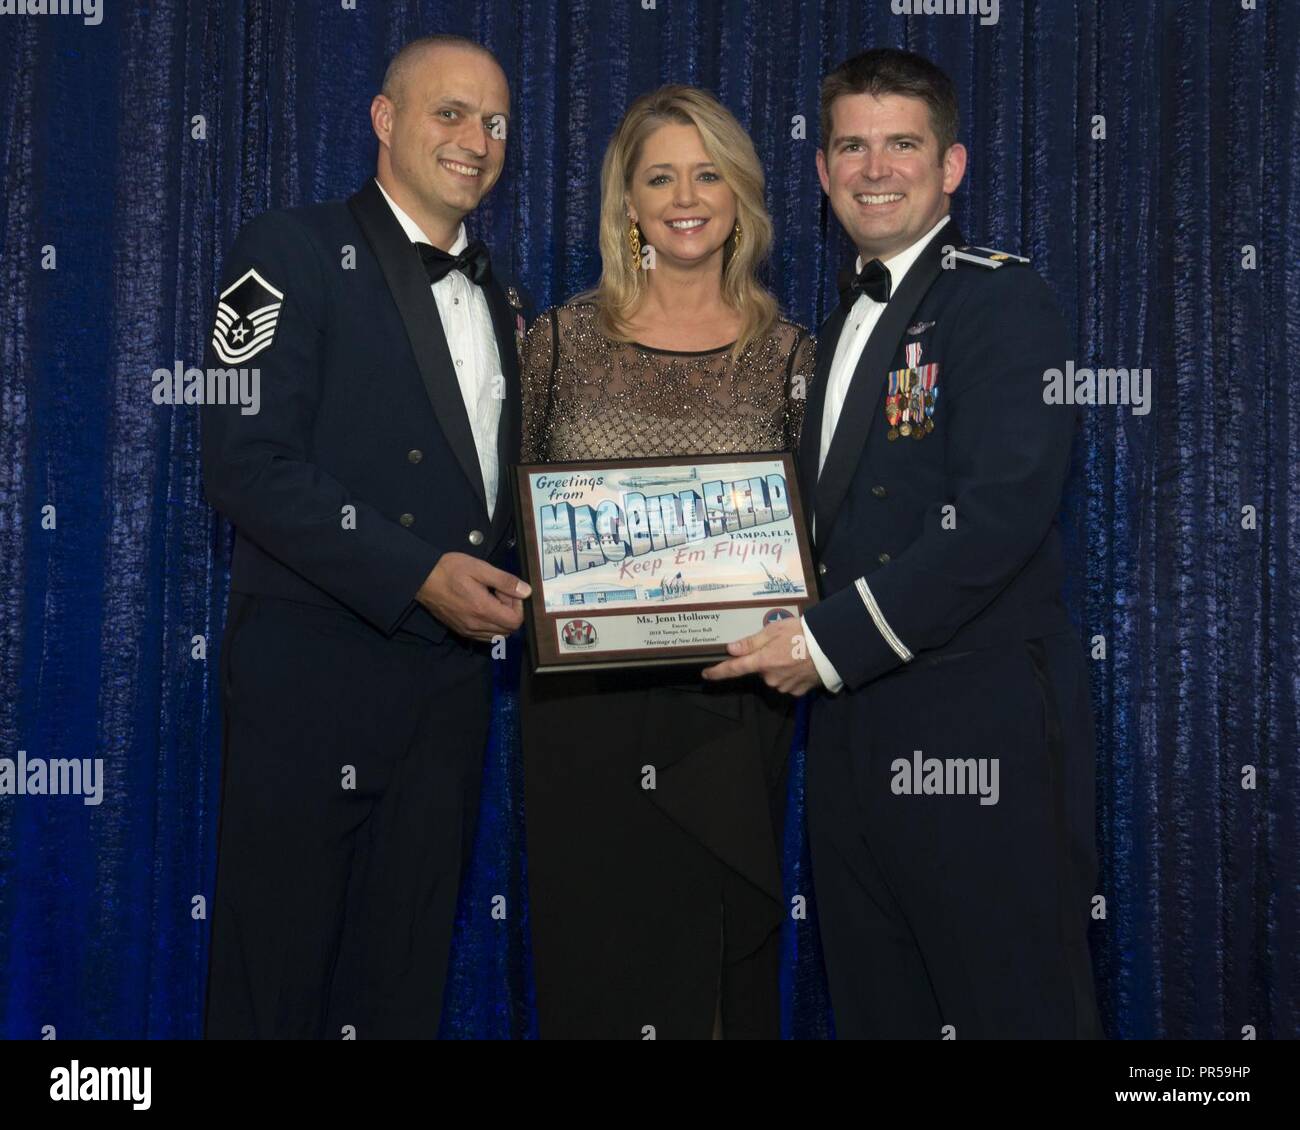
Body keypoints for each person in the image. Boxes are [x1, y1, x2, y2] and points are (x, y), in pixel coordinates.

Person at [704, 48, 1102, 1039]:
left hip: (976, 728)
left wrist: (825, 643)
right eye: (852, 146)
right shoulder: (839, 320)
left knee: (1012, 1009)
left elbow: (1000, 513)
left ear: (951, 165)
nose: (875, 169)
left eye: (902, 145)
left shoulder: (1000, 300)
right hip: (849, 733)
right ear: (821, 168)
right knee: (880, 1008)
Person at [201, 34, 530, 1039]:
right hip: (312, 685)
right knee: (275, 983)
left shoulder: (505, 297)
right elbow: (244, 464)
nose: (475, 139)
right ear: (385, 120)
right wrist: (419, 572)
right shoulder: (284, 249)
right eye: (449, 112)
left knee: (404, 983)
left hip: (447, 699)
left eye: (494, 122)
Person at [519, 85, 814, 1040]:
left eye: (708, 174)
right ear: (629, 203)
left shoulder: (794, 357)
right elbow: (509, 520)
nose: (686, 197)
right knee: (598, 963)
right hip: (583, 717)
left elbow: (825, 533)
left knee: (717, 969)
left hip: (730, 713)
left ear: (740, 195)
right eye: (660, 178)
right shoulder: (556, 343)